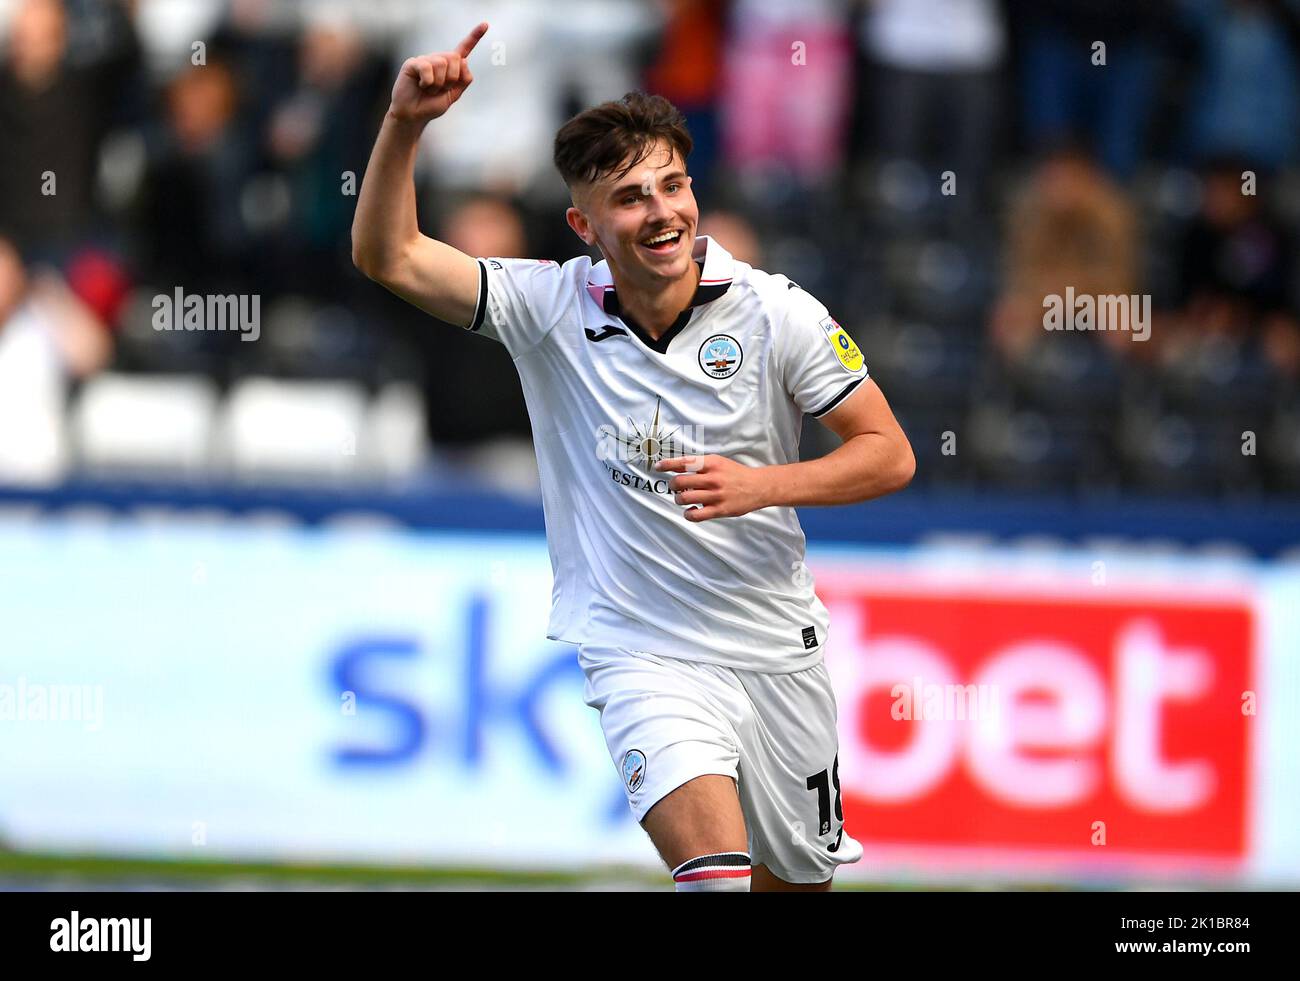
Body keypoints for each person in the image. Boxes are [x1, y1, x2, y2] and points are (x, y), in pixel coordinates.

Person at [351, 23, 915, 892]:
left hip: (775, 647)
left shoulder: (779, 313)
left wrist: (761, 485)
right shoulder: (547, 306)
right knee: (716, 875)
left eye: (674, 186)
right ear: (584, 225)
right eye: (631, 197)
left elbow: (889, 455)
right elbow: (387, 255)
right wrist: (405, 126)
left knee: (795, 881)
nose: (662, 212)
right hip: (642, 651)